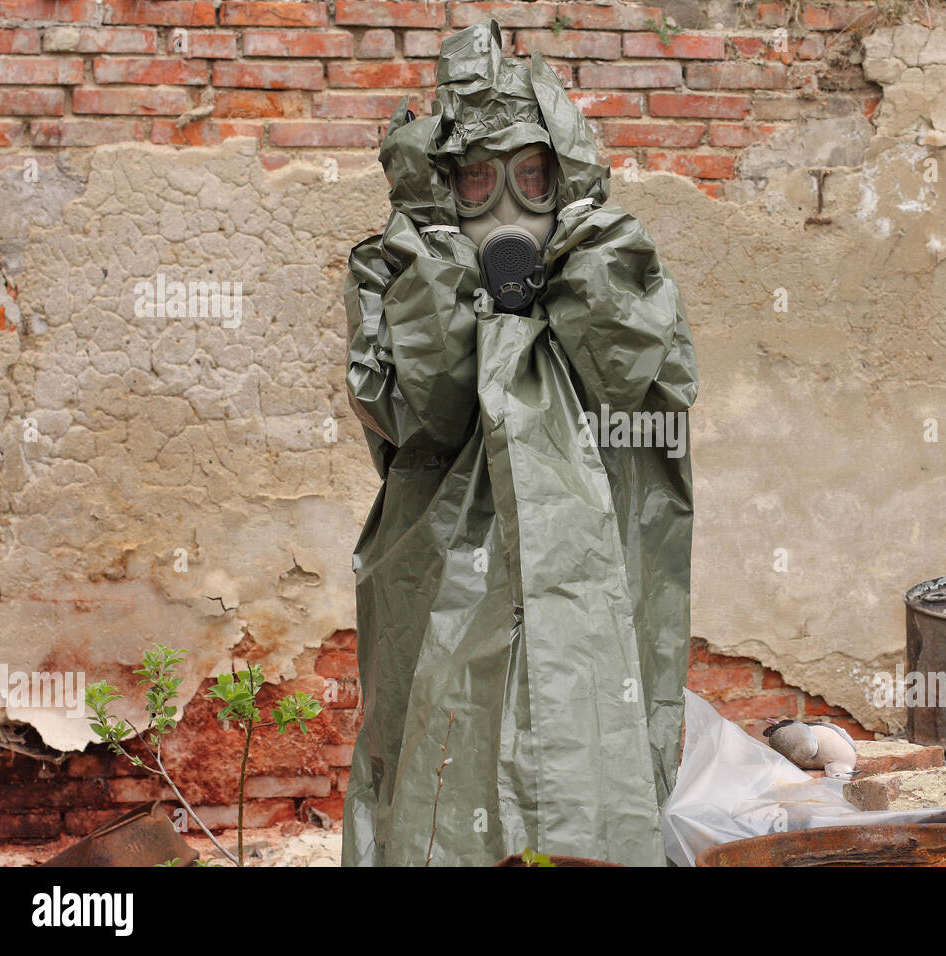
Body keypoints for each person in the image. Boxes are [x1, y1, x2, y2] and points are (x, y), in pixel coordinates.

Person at [341, 19, 698, 866]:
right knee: (442, 756)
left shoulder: (612, 259)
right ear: (442, 184)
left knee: (586, 750)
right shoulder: (394, 269)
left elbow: (632, 379)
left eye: (532, 176)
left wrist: (573, 260)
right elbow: (417, 416)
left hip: (595, 564)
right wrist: (437, 261)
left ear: (565, 173)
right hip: (442, 566)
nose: (506, 202)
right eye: (476, 180)